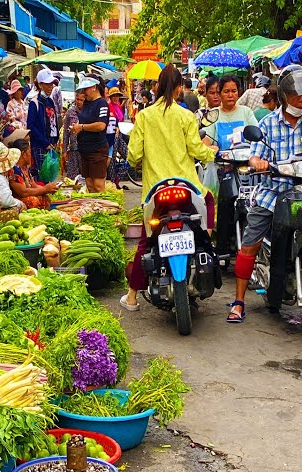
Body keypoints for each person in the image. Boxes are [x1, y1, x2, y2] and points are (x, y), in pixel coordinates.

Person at [231, 65, 302, 323]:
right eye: (296, 95)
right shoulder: (268, 123)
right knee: (251, 242)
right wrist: (257, 161)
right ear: (283, 96)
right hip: (274, 193)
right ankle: (238, 300)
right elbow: (256, 154)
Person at [121, 65, 218, 312]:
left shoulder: (144, 116)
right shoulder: (186, 116)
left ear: (156, 87)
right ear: (177, 89)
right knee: (208, 201)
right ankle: (206, 245)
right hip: (187, 186)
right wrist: (212, 153)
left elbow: (133, 154)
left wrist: (137, 161)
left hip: (155, 190)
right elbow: (197, 150)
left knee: (147, 241)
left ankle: (132, 297)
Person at [72, 77, 110, 193]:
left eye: (86, 89)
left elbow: (101, 125)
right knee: (89, 185)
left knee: (98, 185)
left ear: (94, 87)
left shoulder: (102, 103)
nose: (84, 92)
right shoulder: (87, 104)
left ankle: (102, 209)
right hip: (85, 149)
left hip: (97, 150)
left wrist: (82, 127)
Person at [203, 74, 258, 150]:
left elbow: (257, 137)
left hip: (245, 159)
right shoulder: (212, 114)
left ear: (238, 93)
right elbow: (206, 139)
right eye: (226, 91)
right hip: (219, 161)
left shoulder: (246, 112)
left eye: (234, 91)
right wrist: (209, 147)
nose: (230, 95)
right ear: (220, 94)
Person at [26, 70, 59, 171]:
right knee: (41, 175)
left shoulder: (50, 102)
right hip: (40, 146)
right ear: (40, 85)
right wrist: (45, 143)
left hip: (51, 144)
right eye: (48, 84)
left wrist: (55, 140)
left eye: (52, 84)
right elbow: (31, 127)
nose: (50, 87)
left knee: (49, 175)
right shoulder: (34, 103)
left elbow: (53, 123)